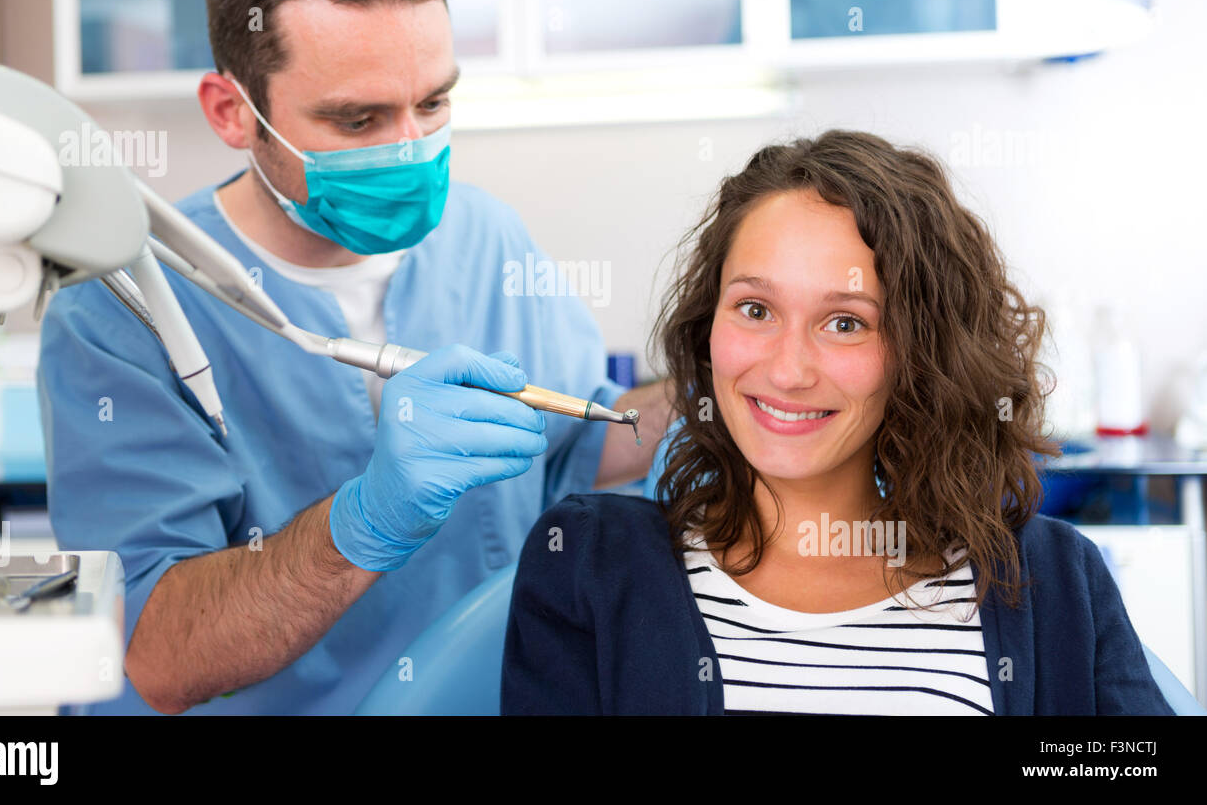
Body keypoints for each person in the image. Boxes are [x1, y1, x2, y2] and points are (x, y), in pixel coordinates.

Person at [36, 0, 670, 715]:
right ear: (234, 112)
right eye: (358, 118)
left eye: (433, 103)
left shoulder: (486, 237)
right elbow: (155, 653)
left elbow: (579, 441)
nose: (409, 148)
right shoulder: (121, 308)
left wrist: (710, 390)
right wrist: (363, 521)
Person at [501, 130, 1173, 715]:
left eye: (845, 322)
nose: (788, 370)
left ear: (922, 351)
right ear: (709, 326)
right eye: (755, 309)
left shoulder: (1050, 580)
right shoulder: (590, 561)